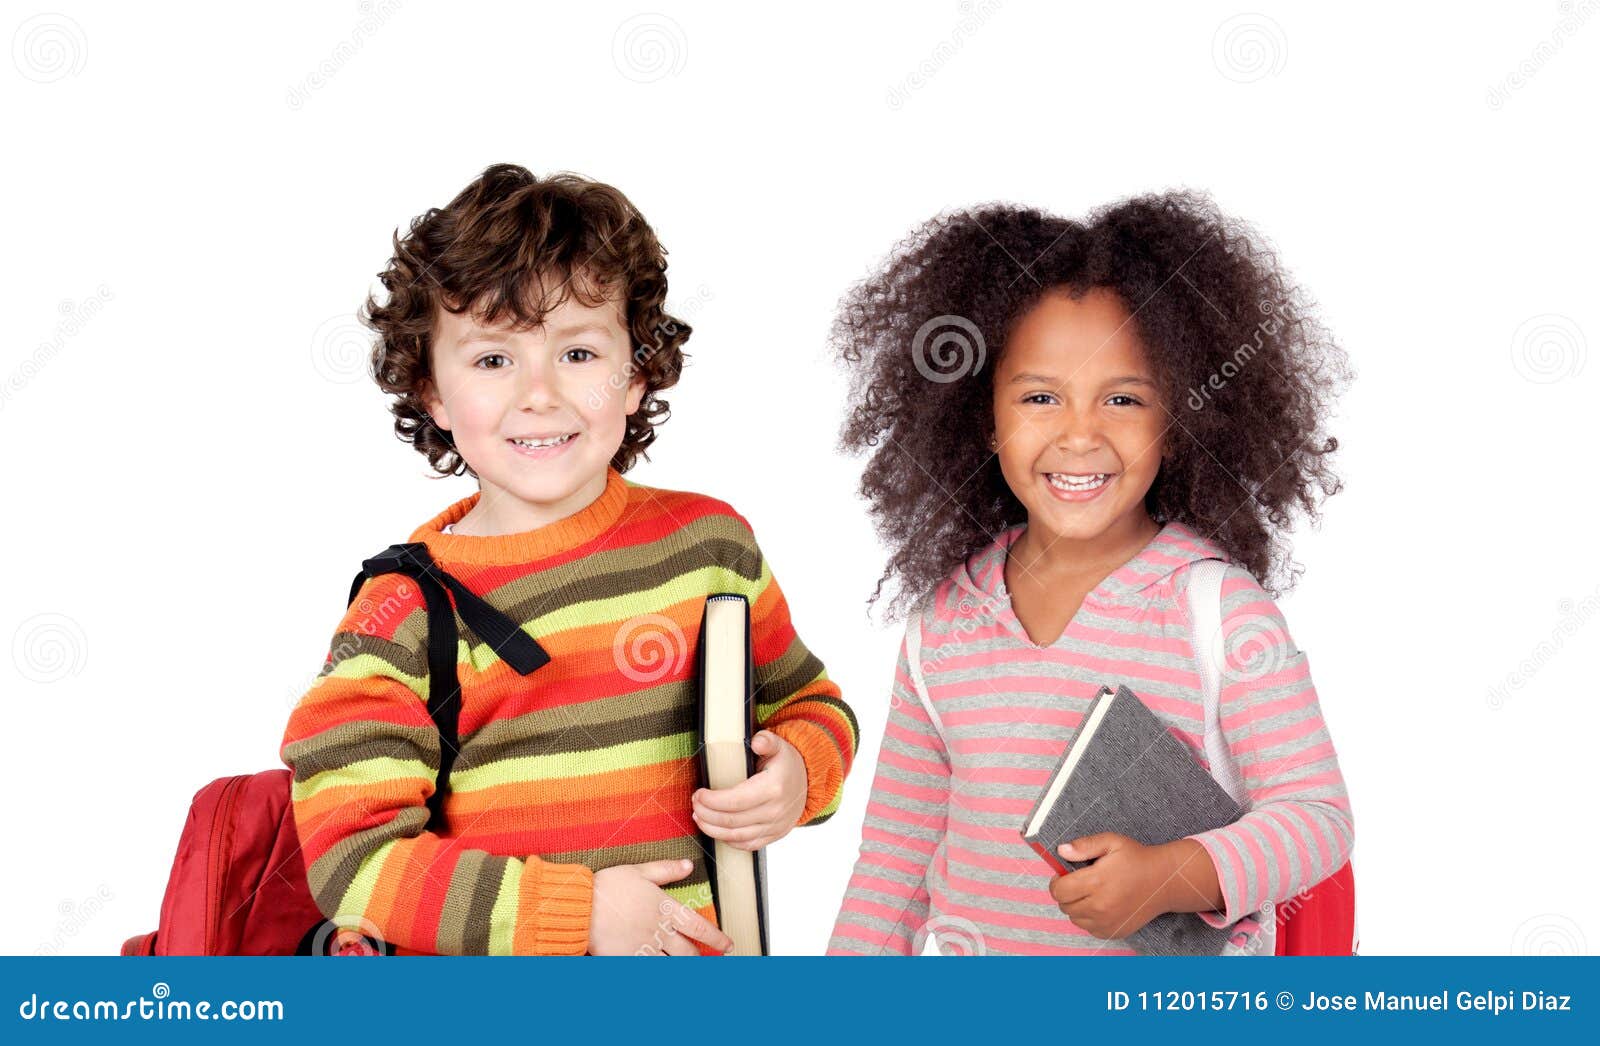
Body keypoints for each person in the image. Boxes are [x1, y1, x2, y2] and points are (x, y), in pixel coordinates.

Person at [281, 163, 857, 955]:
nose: (540, 394)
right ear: (432, 393)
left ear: (637, 373)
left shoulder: (710, 546)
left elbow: (810, 704)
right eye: (492, 360)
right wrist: (574, 914)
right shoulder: (403, 610)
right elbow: (355, 860)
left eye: (579, 354)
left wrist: (796, 776)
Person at [826, 191, 1353, 955]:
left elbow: (1316, 819)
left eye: (1123, 399)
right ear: (983, 416)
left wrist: (1172, 874)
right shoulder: (942, 621)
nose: (1080, 434)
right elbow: (894, 869)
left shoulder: (1214, 609)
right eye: (1041, 397)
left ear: (1177, 424)